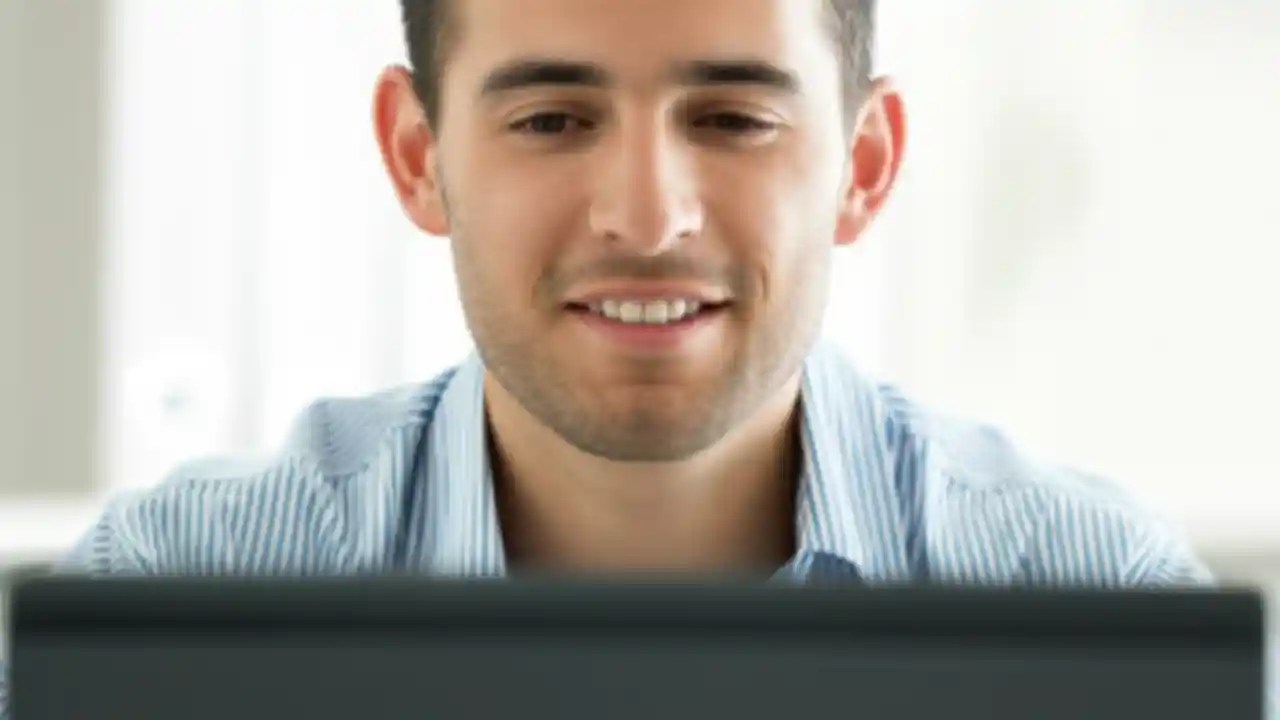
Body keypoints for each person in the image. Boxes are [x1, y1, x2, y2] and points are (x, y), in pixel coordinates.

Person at [0, 0, 1212, 713]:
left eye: (732, 119)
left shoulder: (1100, 599)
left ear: (864, 163)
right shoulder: (182, 594)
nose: (644, 216)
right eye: (551, 120)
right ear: (418, 155)